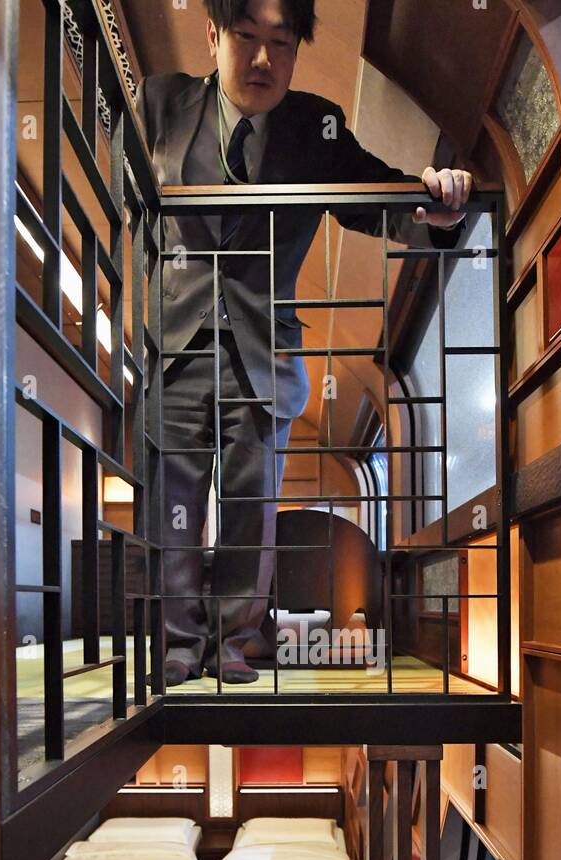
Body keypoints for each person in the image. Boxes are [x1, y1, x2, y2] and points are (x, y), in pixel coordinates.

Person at [136, 0, 472, 685]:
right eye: (247, 38)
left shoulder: (316, 126)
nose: (263, 60)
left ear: (296, 50)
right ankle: (174, 644)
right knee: (169, 495)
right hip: (176, 337)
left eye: (281, 44)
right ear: (214, 36)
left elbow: (372, 193)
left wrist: (431, 194)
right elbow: (124, 192)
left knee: (251, 502)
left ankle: (232, 641)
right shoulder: (162, 103)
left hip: (266, 344)